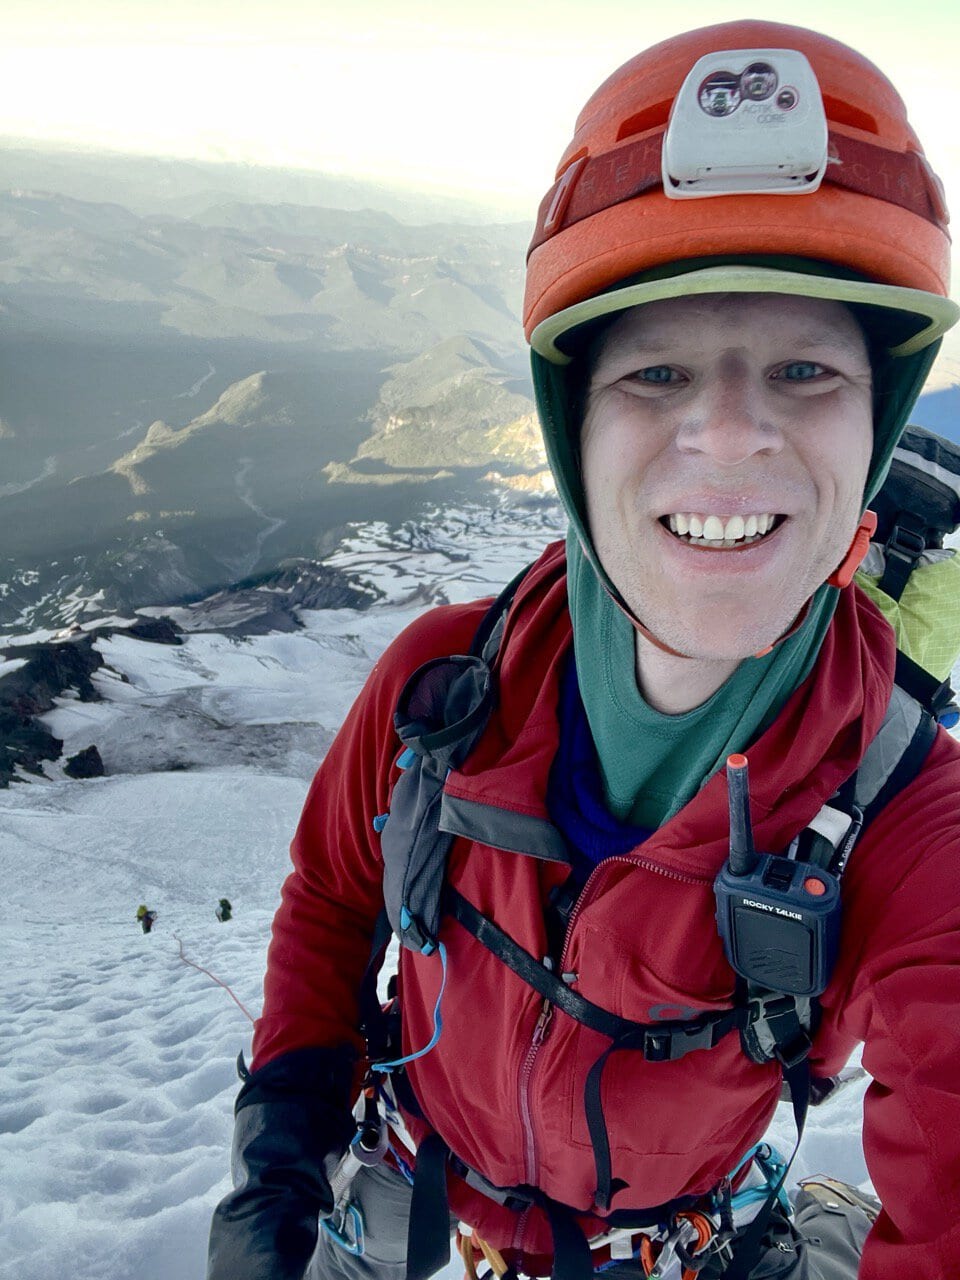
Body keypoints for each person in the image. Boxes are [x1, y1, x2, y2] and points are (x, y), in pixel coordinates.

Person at [208, 20, 960, 1280]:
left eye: (804, 369)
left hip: (670, 1241)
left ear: (874, 438)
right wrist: (281, 1136)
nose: (729, 432)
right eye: (656, 371)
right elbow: (335, 899)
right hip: (415, 1176)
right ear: (574, 433)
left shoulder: (907, 821)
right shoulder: (438, 687)